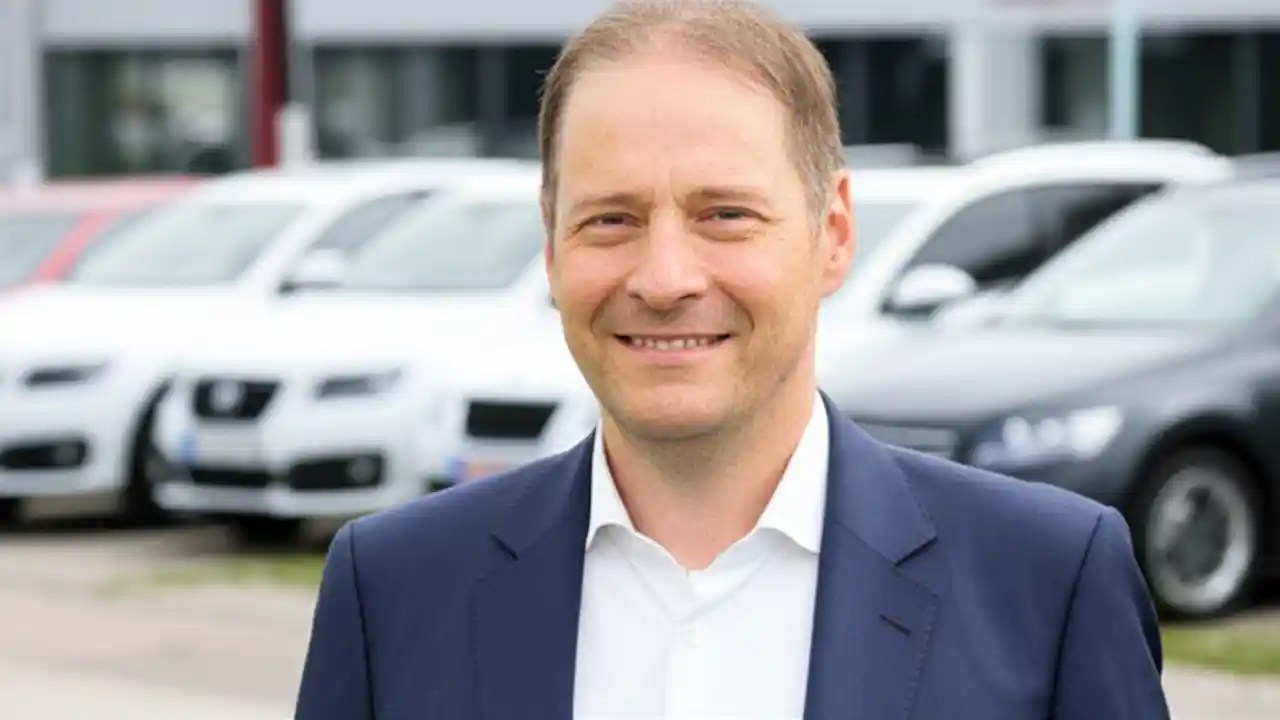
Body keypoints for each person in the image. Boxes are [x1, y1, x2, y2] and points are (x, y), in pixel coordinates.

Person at [294, 1, 1170, 718]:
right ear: (553, 248)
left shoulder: (1048, 582)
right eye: (611, 219)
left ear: (832, 236)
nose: (665, 278)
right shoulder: (394, 592)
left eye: (725, 215)